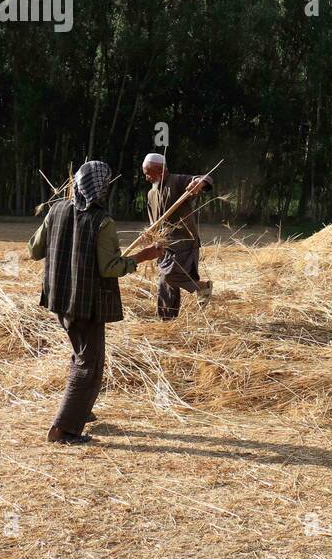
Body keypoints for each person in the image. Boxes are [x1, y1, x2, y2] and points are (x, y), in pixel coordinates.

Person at [28, 161, 162, 444]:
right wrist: (143, 256)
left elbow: (34, 250)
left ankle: (80, 410)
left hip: (59, 298)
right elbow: (109, 267)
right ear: (100, 187)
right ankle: (63, 430)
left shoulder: (57, 210)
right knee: (90, 363)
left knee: (80, 355)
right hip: (86, 303)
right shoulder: (102, 220)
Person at [141, 153, 213, 320]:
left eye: (148, 173)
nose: (146, 177)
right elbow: (154, 223)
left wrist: (199, 183)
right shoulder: (151, 194)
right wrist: (149, 235)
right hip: (164, 245)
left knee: (169, 276)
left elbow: (206, 178)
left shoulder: (179, 181)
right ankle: (167, 320)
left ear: (161, 169)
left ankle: (202, 286)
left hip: (184, 243)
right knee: (165, 284)